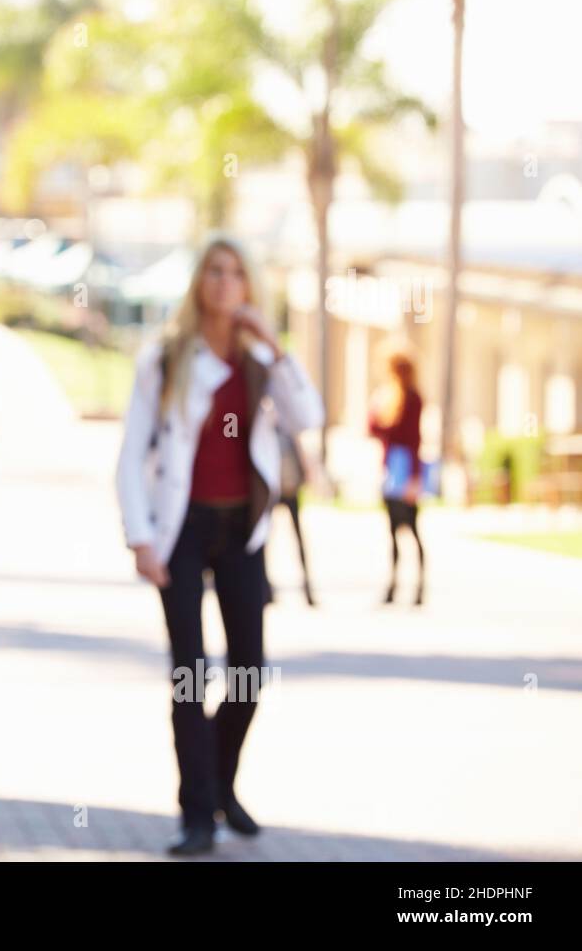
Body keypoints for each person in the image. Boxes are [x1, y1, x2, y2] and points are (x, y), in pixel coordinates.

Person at [115, 234, 324, 856]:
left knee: (250, 673)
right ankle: (197, 814)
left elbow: (308, 417)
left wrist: (276, 345)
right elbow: (132, 454)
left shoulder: (262, 362)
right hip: (182, 529)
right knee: (189, 673)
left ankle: (220, 786)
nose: (224, 283)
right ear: (199, 282)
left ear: (250, 287)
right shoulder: (167, 357)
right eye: (214, 271)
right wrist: (140, 537)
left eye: (236, 273)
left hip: (243, 530)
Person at [368, 342, 425, 606]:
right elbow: (375, 429)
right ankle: (393, 585)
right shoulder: (387, 398)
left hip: (405, 468)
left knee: (412, 531)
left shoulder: (413, 399)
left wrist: (415, 478)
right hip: (391, 467)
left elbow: (415, 440)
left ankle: (419, 586)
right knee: (392, 531)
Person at [268, 423, 316, 607]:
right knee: (266, 541)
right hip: (274, 491)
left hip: (290, 490)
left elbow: (300, 454)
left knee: (298, 539)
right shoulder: (267, 430)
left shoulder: (289, 429)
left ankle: (307, 588)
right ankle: (266, 589)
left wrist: (305, 477)